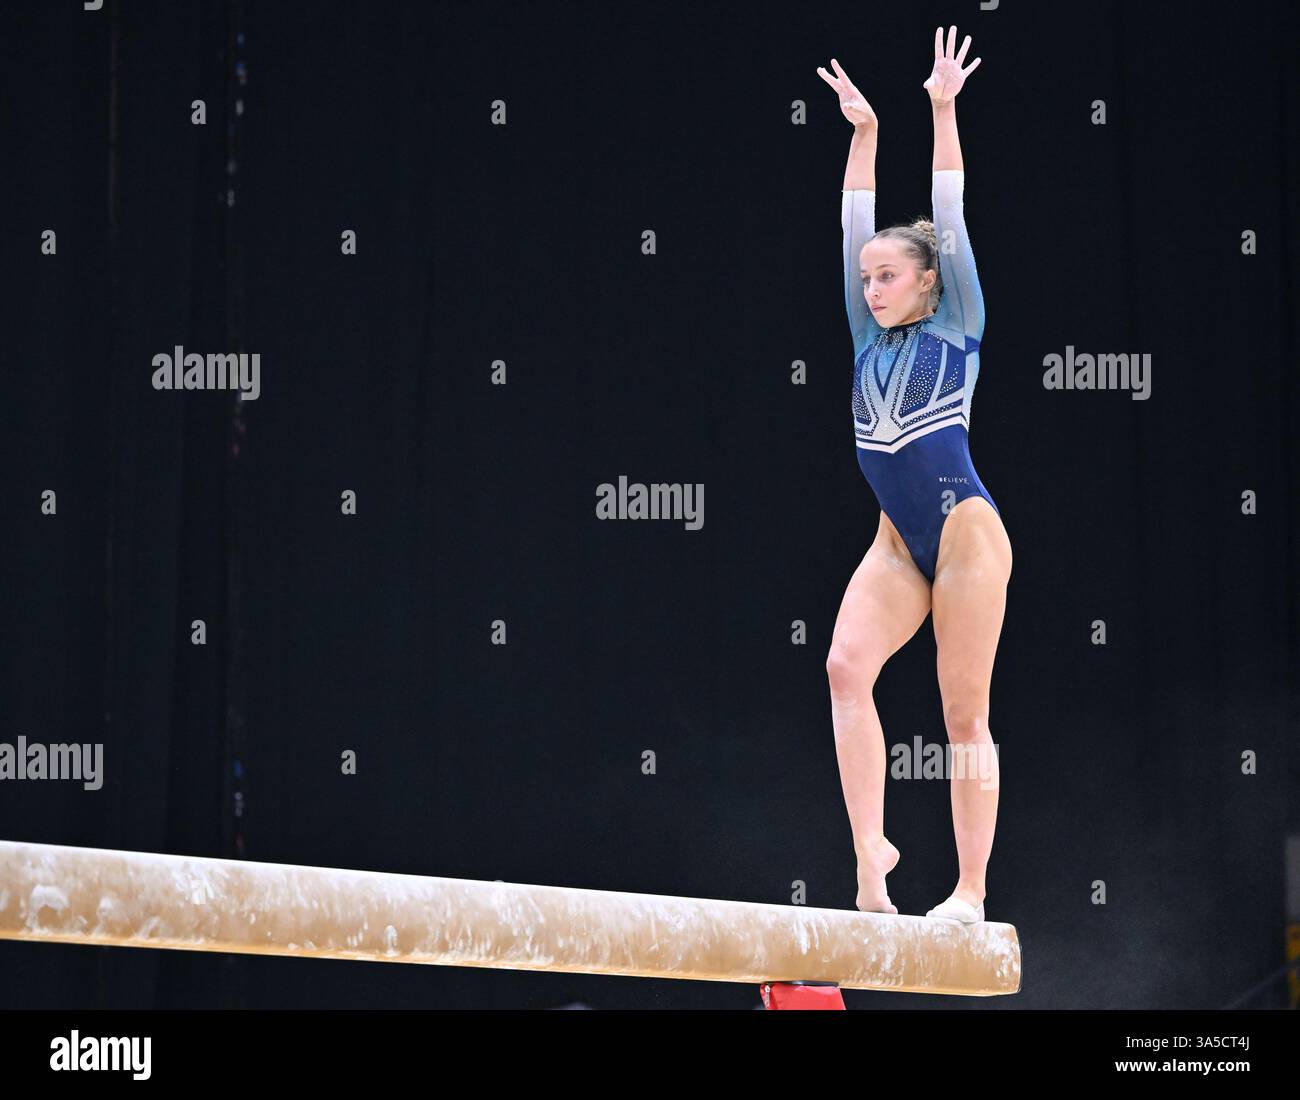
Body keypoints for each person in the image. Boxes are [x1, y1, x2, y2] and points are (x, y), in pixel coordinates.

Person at [816, 26, 1012, 924]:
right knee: (844, 666)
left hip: (966, 535)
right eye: (865, 280)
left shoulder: (956, 317)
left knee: (960, 711)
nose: (871, 288)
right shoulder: (864, 338)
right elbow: (857, 223)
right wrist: (862, 136)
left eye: (888, 276)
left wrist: (940, 110)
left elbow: (951, 209)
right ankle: (871, 860)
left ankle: (970, 891)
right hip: (898, 544)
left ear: (932, 283)